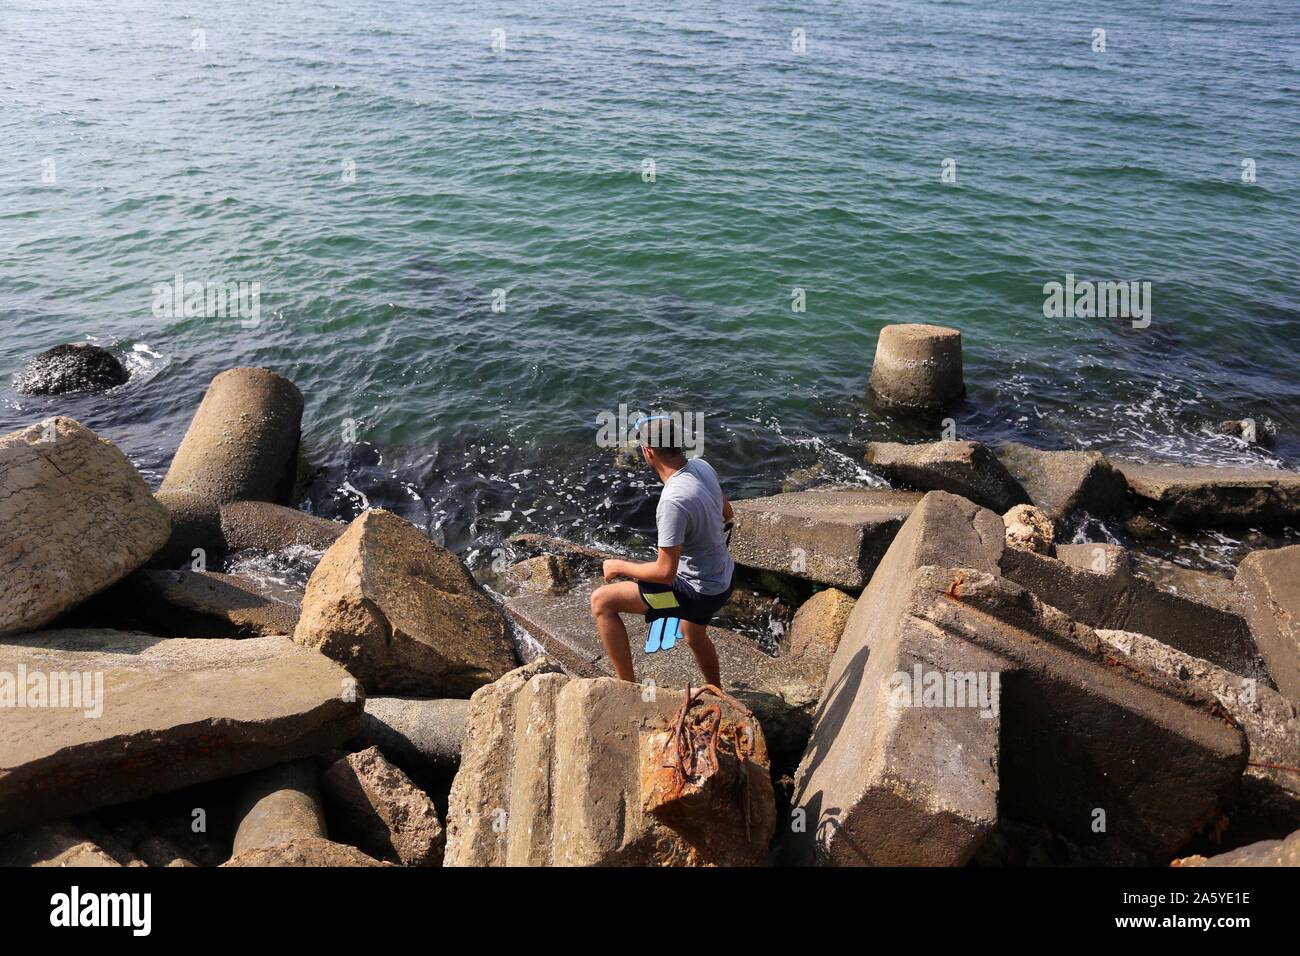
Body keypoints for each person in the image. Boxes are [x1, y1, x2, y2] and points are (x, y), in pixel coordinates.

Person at [589, 414, 735, 686]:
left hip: (695, 595)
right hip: (724, 580)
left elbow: (665, 573)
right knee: (692, 631)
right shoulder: (703, 467)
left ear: (648, 452)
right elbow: (728, 515)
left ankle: (627, 688)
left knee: (602, 601)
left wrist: (618, 566)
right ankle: (714, 688)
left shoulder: (672, 501)